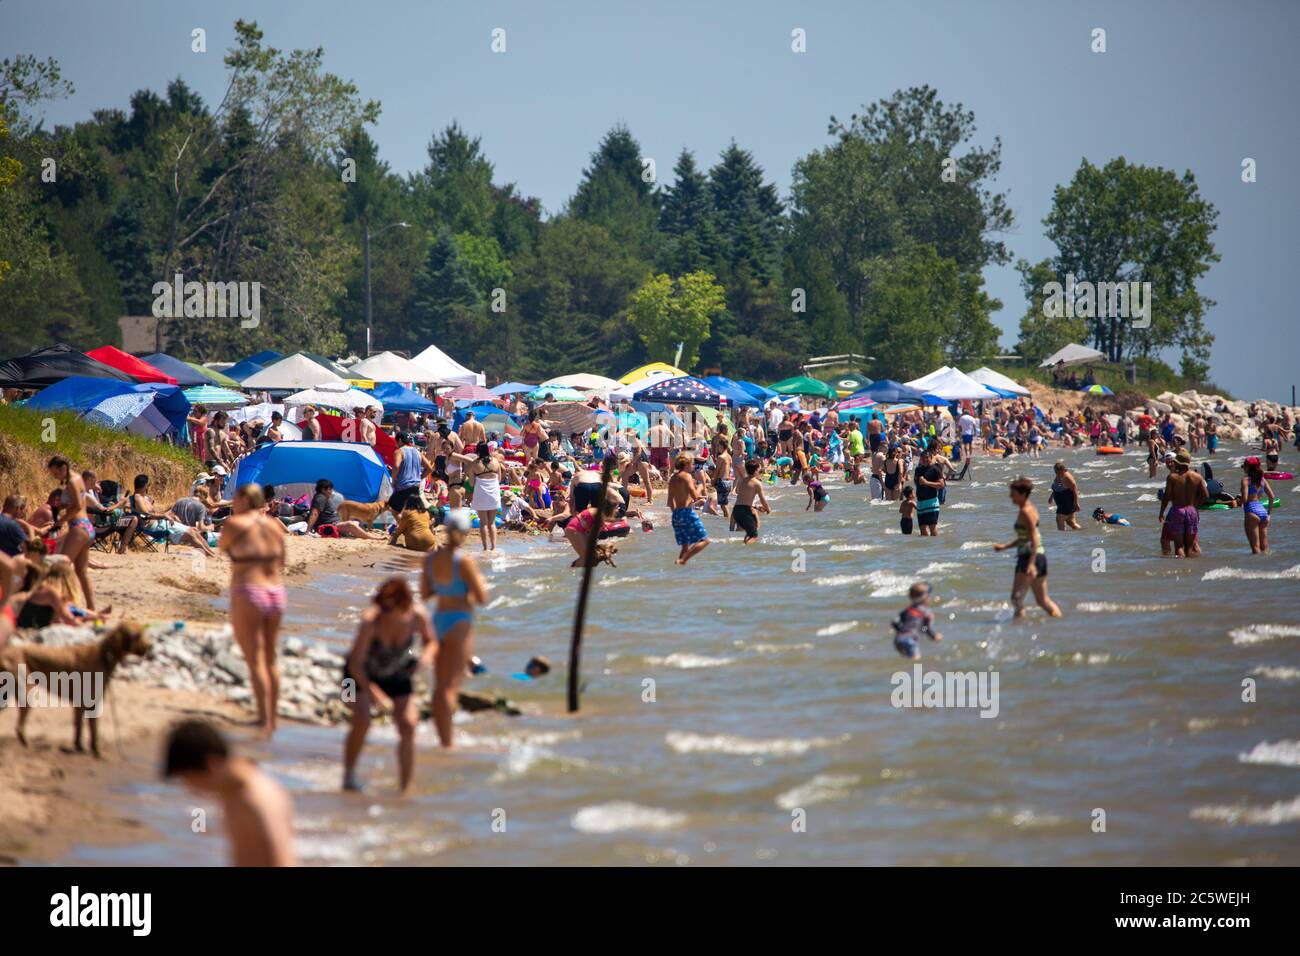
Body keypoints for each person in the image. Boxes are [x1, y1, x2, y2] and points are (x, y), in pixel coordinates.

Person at [342, 577, 437, 793]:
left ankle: (406, 788)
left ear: (405, 603)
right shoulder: (371, 620)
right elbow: (355, 664)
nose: (384, 609)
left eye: (389, 605)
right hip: (354, 676)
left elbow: (431, 641)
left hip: (396, 671)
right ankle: (348, 775)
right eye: (381, 604)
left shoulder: (417, 615)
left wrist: (425, 659)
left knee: (408, 725)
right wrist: (375, 694)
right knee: (361, 720)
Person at [161, 720, 298, 866]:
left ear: (211, 764)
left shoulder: (255, 798)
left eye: (187, 779)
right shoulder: (233, 791)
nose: (189, 788)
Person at [219, 484, 288, 736]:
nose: (232, 501)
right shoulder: (274, 526)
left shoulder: (234, 524)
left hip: (249, 590)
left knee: (255, 658)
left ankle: (264, 719)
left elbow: (223, 548)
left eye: (236, 497)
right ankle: (272, 717)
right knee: (271, 657)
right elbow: (282, 561)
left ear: (245, 499)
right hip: (276, 592)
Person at [420, 510, 488, 748]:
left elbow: (425, 594)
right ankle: (448, 743)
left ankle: (443, 739)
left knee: (439, 686)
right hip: (460, 620)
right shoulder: (464, 561)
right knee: (452, 686)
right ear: (466, 532)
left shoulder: (430, 560)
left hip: (438, 618)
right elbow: (481, 597)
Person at [993, 477, 1063, 619]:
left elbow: (1034, 538)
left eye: (1013, 493)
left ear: (1023, 494)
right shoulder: (1030, 508)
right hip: (1038, 557)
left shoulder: (1026, 512)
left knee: (1016, 598)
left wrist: (1031, 564)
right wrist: (1005, 547)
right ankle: (1060, 623)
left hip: (1030, 558)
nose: (1010, 496)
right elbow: (1025, 538)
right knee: (1042, 600)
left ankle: (1020, 629)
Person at [47, 456, 97, 611]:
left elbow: (78, 506)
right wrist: (62, 505)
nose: (56, 478)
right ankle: (91, 608)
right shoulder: (78, 479)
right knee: (81, 572)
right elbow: (78, 502)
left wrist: (61, 521)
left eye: (56, 474)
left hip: (78, 526)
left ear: (63, 468)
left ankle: (60, 605)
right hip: (86, 527)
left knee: (62, 565)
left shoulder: (72, 481)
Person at [1158, 449, 1207, 558]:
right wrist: (1195, 505)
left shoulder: (1172, 477)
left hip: (1178, 510)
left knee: (1179, 547)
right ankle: (1190, 570)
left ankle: (1181, 570)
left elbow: (1166, 497)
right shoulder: (1197, 477)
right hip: (1191, 510)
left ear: (1177, 462)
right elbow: (1205, 495)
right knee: (1189, 547)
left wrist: (1161, 512)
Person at [668, 454, 709, 565]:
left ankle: (678, 568)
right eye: (692, 463)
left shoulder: (673, 478)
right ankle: (683, 560)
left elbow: (670, 502)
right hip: (686, 513)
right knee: (705, 540)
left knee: (685, 547)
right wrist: (701, 486)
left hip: (676, 515)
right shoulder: (686, 476)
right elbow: (695, 496)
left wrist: (677, 514)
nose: (693, 466)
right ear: (686, 464)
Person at [463, 442, 503, 551]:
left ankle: (485, 548)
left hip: (481, 492)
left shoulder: (474, 464)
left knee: (483, 523)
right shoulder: (495, 461)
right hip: (494, 491)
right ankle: (494, 547)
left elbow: (471, 483)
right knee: (492, 523)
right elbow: (499, 479)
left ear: (478, 451)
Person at [891, 582, 943, 659]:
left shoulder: (907, 610)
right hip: (911, 639)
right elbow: (927, 628)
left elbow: (895, 623)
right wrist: (935, 636)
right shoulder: (926, 612)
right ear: (925, 598)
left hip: (899, 639)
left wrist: (901, 632)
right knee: (916, 660)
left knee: (907, 659)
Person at [1240, 456, 1275, 554]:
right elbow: (1272, 496)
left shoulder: (1245, 481)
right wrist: (1269, 514)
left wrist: (1238, 500)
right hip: (1262, 512)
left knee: (1255, 547)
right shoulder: (1262, 480)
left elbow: (1245, 499)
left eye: (1244, 466)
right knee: (1265, 547)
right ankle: (1266, 567)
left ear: (1248, 467)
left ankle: (1255, 568)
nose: (1243, 468)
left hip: (1251, 511)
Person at [731, 459, 770, 544]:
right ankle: (744, 548)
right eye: (759, 470)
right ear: (756, 470)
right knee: (754, 536)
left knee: (749, 533)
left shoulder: (742, 481)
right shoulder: (757, 483)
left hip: (736, 510)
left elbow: (741, 495)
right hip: (745, 511)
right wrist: (768, 509)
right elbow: (763, 500)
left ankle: (744, 548)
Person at [913, 449, 944, 536]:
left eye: (927, 458)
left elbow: (941, 485)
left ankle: (936, 547)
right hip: (920, 503)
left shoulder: (935, 469)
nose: (925, 460)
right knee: (922, 529)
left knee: (932, 528)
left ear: (931, 458)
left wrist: (927, 483)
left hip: (932, 502)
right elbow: (916, 483)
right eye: (923, 458)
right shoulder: (918, 469)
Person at [1048, 461, 1082, 530]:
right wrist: (1051, 497)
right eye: (1055, 472)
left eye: (1057, 472)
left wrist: (1076, 503)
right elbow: (1056, 487)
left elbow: (1075, 490)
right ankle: (1082, 532)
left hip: (1066, 502)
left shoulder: (1067, 477)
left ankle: (1062, 539)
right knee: (1071, 522)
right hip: (1062, 503)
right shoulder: (1058, 475)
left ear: (1062, 470)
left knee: (1059, 520)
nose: (1056, 473)